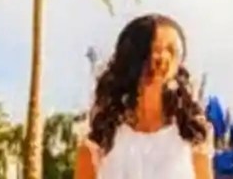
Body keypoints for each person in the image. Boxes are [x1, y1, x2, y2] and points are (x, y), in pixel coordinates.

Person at [75, 13, 214, 179]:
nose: (163, 59)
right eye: (156, 49)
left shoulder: (192, 140)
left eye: (172, 51)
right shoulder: (98, 144)